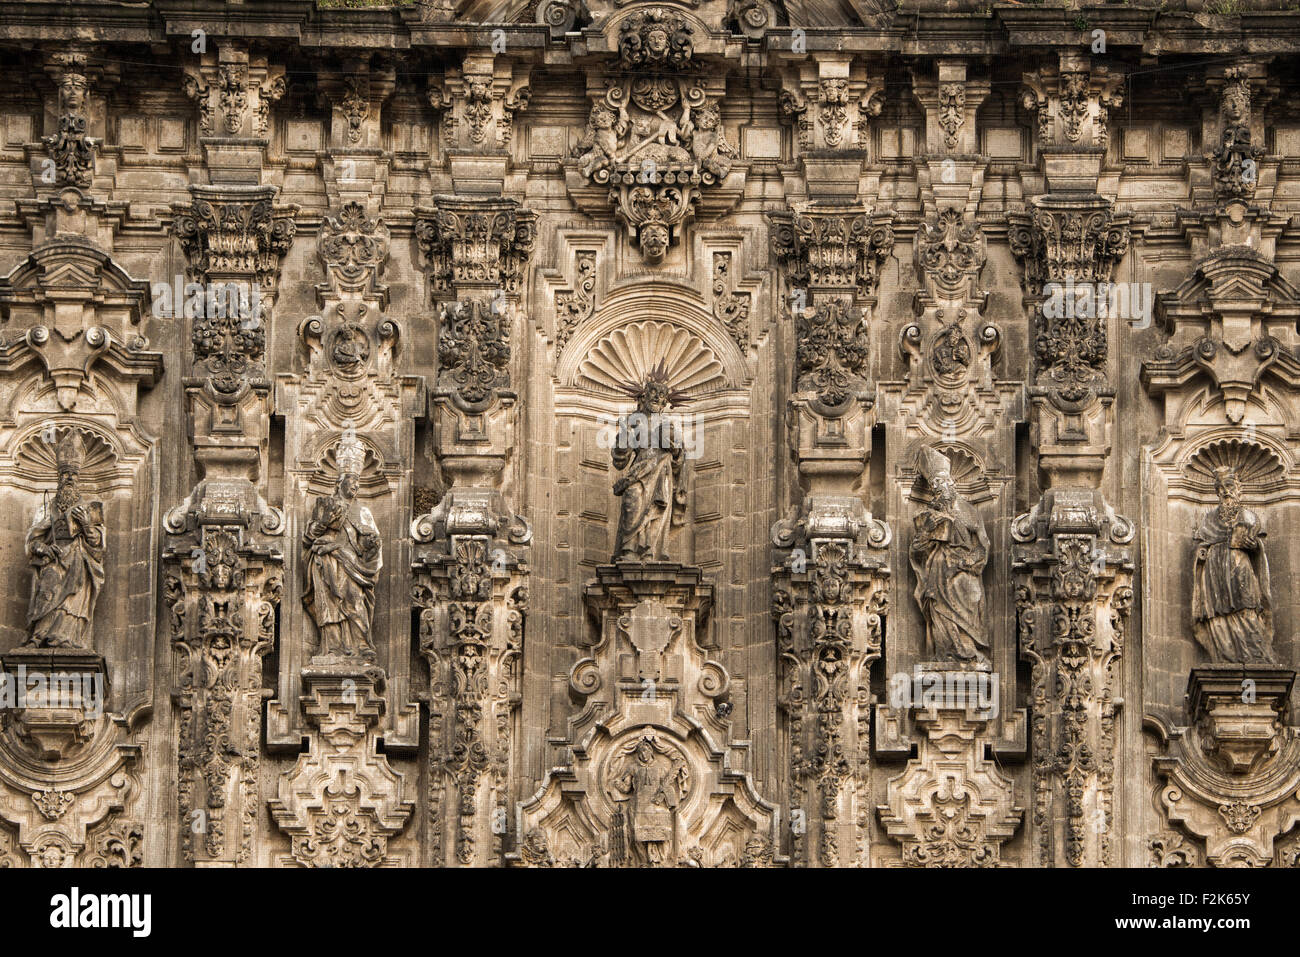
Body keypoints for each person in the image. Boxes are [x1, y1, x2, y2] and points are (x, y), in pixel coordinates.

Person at [909, 447, 990, 668]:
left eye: (942, 484)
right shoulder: (928, 516)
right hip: (937, 571)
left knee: (971, 603)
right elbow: (916, 550)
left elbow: (983, 545)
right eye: (935, 486)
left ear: (952, 484)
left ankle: (969, 653)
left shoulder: (971, 512)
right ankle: (947, 655)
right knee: (938, 611)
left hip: (964, 573)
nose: (938, 490)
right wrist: (926, 530)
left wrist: (969, 562)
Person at [303, 434, 382, 659]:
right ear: (341, 482)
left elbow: (368, 546)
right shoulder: (324, 504)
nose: (356, 486)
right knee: (329, 605)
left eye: (358, 482)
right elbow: (309, 537)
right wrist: (324, 521)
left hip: (353, 565)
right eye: (352, 481)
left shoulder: (363, 512)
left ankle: (361, 645)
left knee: (355, 601)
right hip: (327, 563)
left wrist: (371, 545)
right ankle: (333, 648)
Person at [26, 430, 105, 650]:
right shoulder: (47, 508)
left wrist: (87, 525)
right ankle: (38, 635)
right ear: (58, 478)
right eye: (64, 475)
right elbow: (33, 540)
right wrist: (44, 549)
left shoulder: (88, 509)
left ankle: (65, 637)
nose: (68, 479)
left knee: (74, 597)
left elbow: (98, 543)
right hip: (53, 561)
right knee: (47, 591)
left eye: (73, 476)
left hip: (78, 562)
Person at [1192, 466, 1274, 664]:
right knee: (1217, 614)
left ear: (1239, 489)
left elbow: (1257, 548)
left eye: (1229, 486)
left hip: (1240, 568)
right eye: (1220, 488)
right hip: (1214, 572)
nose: (1225, 491)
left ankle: (1255, 655)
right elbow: (1202, 542)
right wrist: (1202, 553)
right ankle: (1225, 657)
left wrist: (1253, 546)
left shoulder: (1248, 516)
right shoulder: (1209, 519)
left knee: (1247, 607)